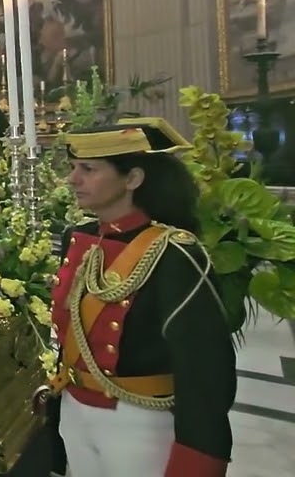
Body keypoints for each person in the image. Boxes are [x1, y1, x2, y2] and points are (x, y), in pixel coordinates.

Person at [45, 117, 235, 477]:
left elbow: (204, 371)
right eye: (73, 168)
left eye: (88, 169)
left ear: (132, 179)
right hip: (75, 408)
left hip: (139, 422)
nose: (73, 179)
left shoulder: (174, 253)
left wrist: (196, 460)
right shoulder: (80, 236)